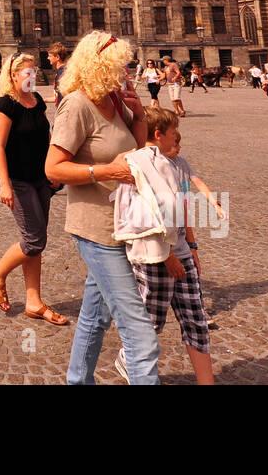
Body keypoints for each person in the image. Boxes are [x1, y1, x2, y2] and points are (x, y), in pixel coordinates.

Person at [43, 30, 159, 384]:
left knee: (95, 317)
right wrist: (104, 171)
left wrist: (139, 115)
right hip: (96, 232)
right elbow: (53, 169)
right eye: (118, 63)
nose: (125, 69)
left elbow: (136, 148)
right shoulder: (76, 104)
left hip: (123, 224)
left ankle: (78, 380)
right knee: (140, 335)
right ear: (99, 65)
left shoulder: (114, 100)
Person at [117, 107, 214, 384]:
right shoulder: (137, 164)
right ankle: (129, 358)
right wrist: (168, 255)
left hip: (182, 254)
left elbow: (182, 210)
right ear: (158, 135)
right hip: (155, 259)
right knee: (151, 323)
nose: (178, 140)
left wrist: (192, 248)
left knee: (196, 322)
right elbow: (142, 217)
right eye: (174, 134)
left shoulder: (174, 163)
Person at [0, 53, 67, 325]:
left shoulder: (36, 102)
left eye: (34, 72)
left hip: (40, 178)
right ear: (13, 76)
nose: (31, 77)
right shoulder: (5, 104)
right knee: (33, 240)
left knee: (36, 241)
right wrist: (5, 184)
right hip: (18, 180)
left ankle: (33, 301)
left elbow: (47, 138)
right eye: (27, 73)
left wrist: (53, 169)